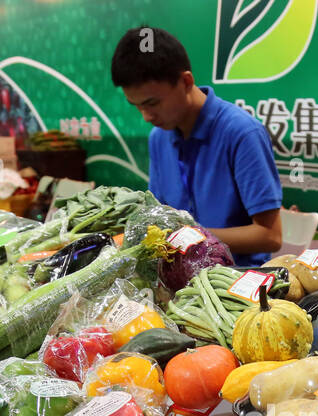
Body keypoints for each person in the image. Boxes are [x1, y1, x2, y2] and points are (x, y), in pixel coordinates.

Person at [110, 27, 282, 267]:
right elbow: (160, 217)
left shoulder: (241, 132)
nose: (146, 116)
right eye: (136, 106)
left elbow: (270, 236)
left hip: (237, 281)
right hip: (179, 281)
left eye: (152, 103)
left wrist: (189, 236)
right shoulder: (159, 137)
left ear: (186, 81)